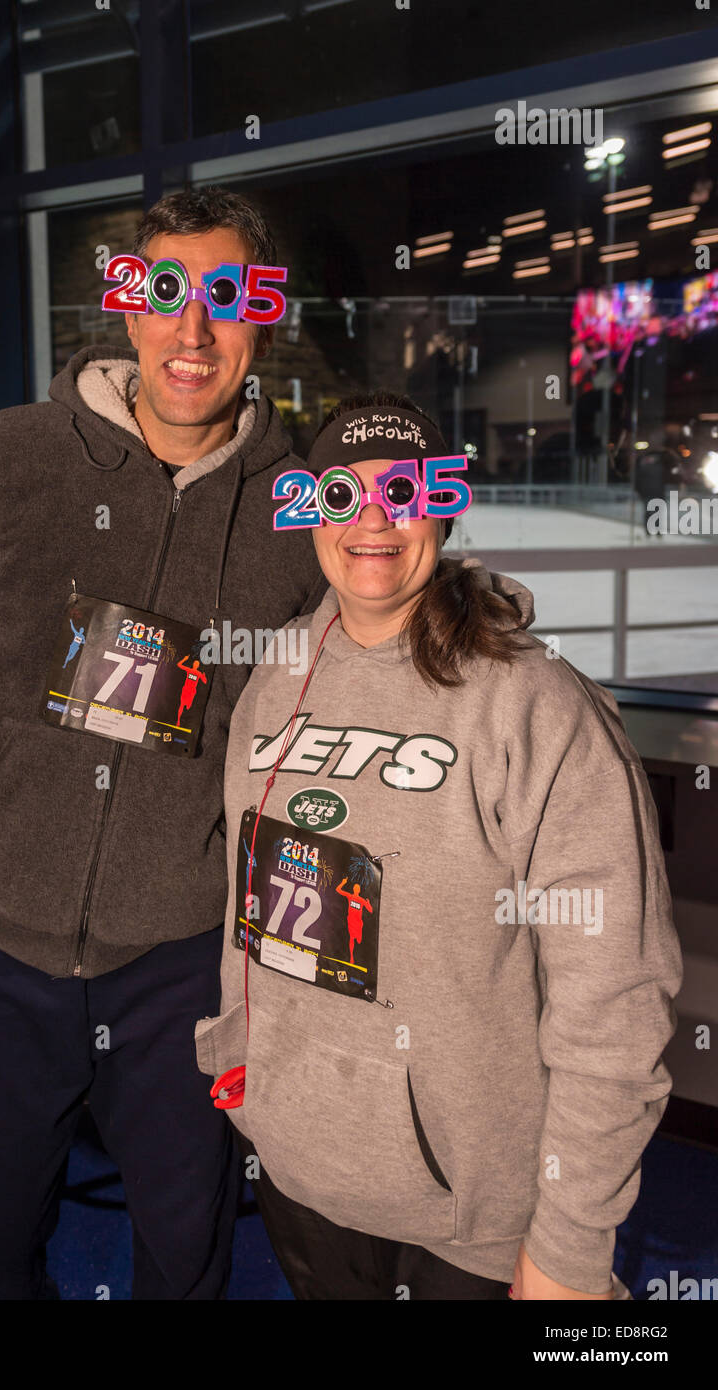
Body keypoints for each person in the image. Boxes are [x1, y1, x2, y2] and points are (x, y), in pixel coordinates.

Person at [0, 187, 326, 1300]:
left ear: (265, 315)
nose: (191, 330)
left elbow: (388, 637)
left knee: (185, 1250)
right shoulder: (9, 457)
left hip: (182, 965)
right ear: (126, 306)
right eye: (164, 292)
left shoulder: (298, 509)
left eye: (228, 297)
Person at [196, 389, 682, 1301]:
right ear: (310, 509)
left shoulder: (535, 705)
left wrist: (571, 1245)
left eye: (405, 492)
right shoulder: (278, 674)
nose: (372, 520)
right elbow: (251, 909)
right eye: (344, 494)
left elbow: (613, 1000)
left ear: (445, 505)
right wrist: (242, 1069)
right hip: (303, 1175)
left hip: (469, 1217)